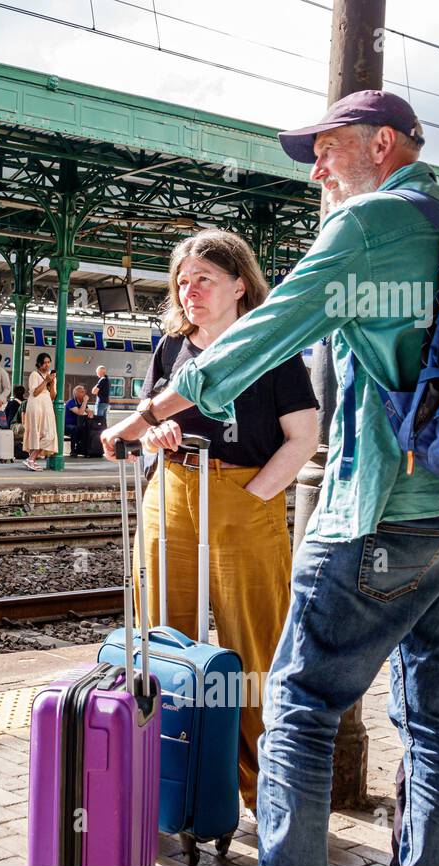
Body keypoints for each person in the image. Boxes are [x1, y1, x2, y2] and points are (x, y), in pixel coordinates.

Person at [103, 90, 439, 866]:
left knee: (297, 704)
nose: (317, 166)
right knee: (433, 715)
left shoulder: (369, 224)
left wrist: (144, 413)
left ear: (384, 143)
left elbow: (264, 330)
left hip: (381, 513)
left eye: (329, 147)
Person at [116, 228, 320, 814]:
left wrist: (253, 496)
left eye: (204, 278)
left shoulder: (272, 349)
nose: (190, 291)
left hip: (241, 494)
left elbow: (302, 437)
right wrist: (154, 435)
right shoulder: (169, 349)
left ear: (239, 284)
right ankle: (168, 787)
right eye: (182, 281)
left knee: (253, 650)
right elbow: (150, 422)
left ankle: (263, 795)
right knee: (162, 645)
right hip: (171, 493)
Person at [23, 352, 58, 471]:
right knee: (37, 432)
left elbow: (53, 396)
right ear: (39, 364)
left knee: (49, 434)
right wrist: (46, 381)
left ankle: (31, 459)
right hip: (36, 406)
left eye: (49, 362)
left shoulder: (51, 377)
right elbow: (35, 392)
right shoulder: (34, 374)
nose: (47, 365)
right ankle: (31, 459)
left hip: (47, 406)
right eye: (45, 363)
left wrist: (52, 383)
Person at [63, 384, 97, 457]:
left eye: (84, 392)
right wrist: (85, 401)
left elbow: (89, 412)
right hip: (66, 427)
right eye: (82, 392)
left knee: (85, 429)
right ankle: (73, 451)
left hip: (77, 426)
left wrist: (90, 413)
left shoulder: (82, 403)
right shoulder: (71, 402)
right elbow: (80, 412)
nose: (84, 394)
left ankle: (85, 450)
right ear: (76, 394)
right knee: (75, 429)